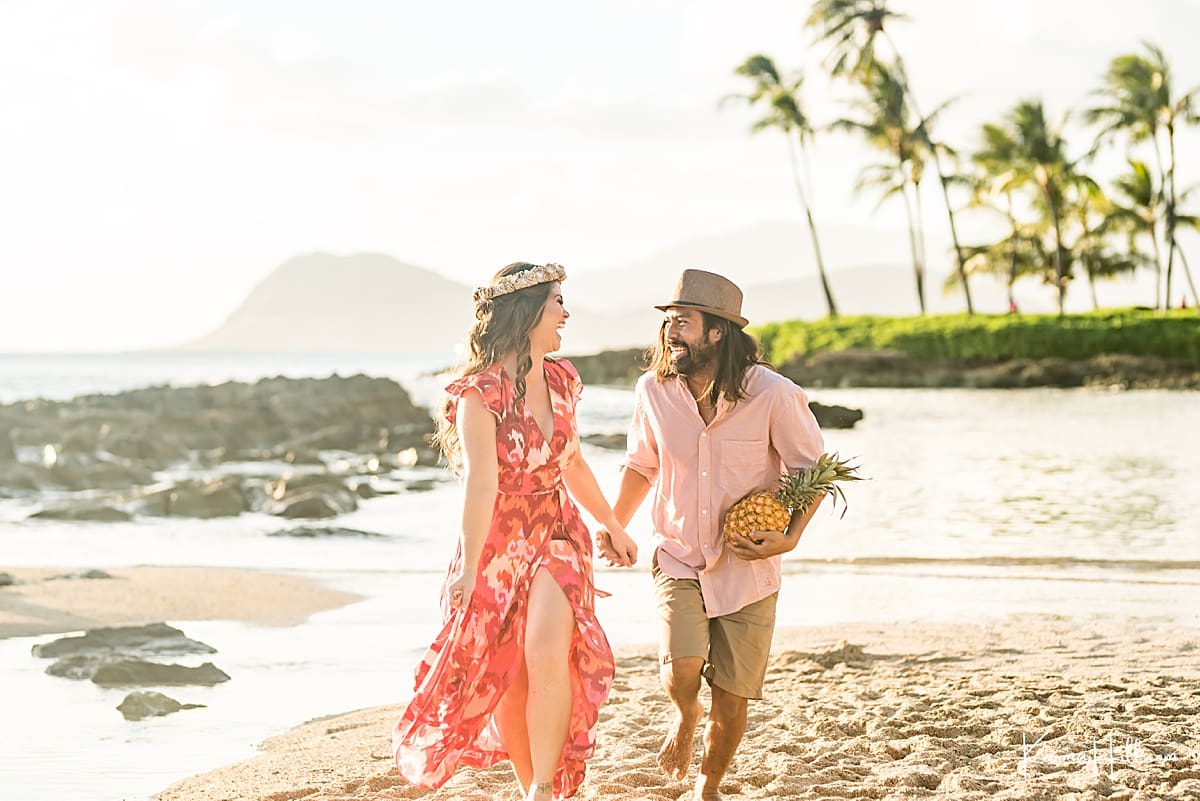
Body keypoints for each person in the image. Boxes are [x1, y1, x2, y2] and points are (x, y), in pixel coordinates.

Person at [393, 262, 639, 801]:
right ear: (527, 312)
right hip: (499, 543)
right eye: (557, 302)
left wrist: (612, 524)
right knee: (511, 671)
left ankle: (545, 787)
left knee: (546, 647)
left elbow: (572, 464)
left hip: (557, 531)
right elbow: (481, 486)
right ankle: (533, 786)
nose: (566, 313)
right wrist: (469, 568)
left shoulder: (563, 379)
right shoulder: (479, 396)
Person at [596, 269, 825, 801]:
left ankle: (709, 786)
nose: (671, 332)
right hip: (677, 554)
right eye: (668, 321)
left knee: (732, 696)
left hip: (749, 566)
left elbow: (812, 468)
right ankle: (684, 714)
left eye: (683, 322)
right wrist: (613, 524)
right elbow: (641, 465)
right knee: (680, 671)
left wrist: (790, 538)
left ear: (717, 332)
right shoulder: (653, 391)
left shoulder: (772, 394)